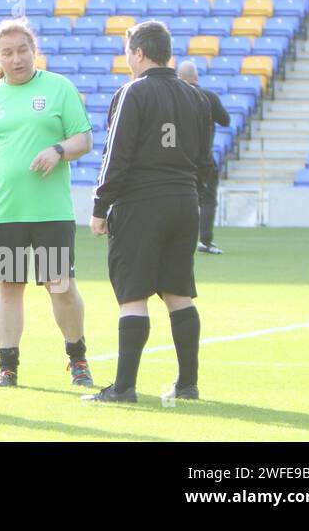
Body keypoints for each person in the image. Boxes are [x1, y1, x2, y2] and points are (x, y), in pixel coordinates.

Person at [0, 19, 96, 389]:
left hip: (50, 213)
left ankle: (77, 359)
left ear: (34, 50)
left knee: (60, 285)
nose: (16, 58)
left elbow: (85, 139)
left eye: (22, 50)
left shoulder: (59, 88)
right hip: (3, 212)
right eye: (7, 52)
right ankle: (7, 368)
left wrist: (58, 149)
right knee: (8, 288)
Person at [85, 20, 216, 404]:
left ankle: (123, 388)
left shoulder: (133, 92)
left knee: (133, 296)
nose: (128, 59)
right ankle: (187, 384)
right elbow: (206, 161)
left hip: (141, 203)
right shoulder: (197, 97)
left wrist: (99, 205)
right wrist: (194, 194)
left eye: (129, 51)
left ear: (139, 53)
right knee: (179, 293)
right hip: (184, 201)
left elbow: (116, 156)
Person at [176, 60, 231, 255]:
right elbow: (225, 120)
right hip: (204, 160)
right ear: (196, 77)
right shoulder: (208, 97)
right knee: (207, 200)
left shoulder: (173, 99)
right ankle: (205, 241)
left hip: (178, 160)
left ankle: (174, 240)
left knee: (177, 199)